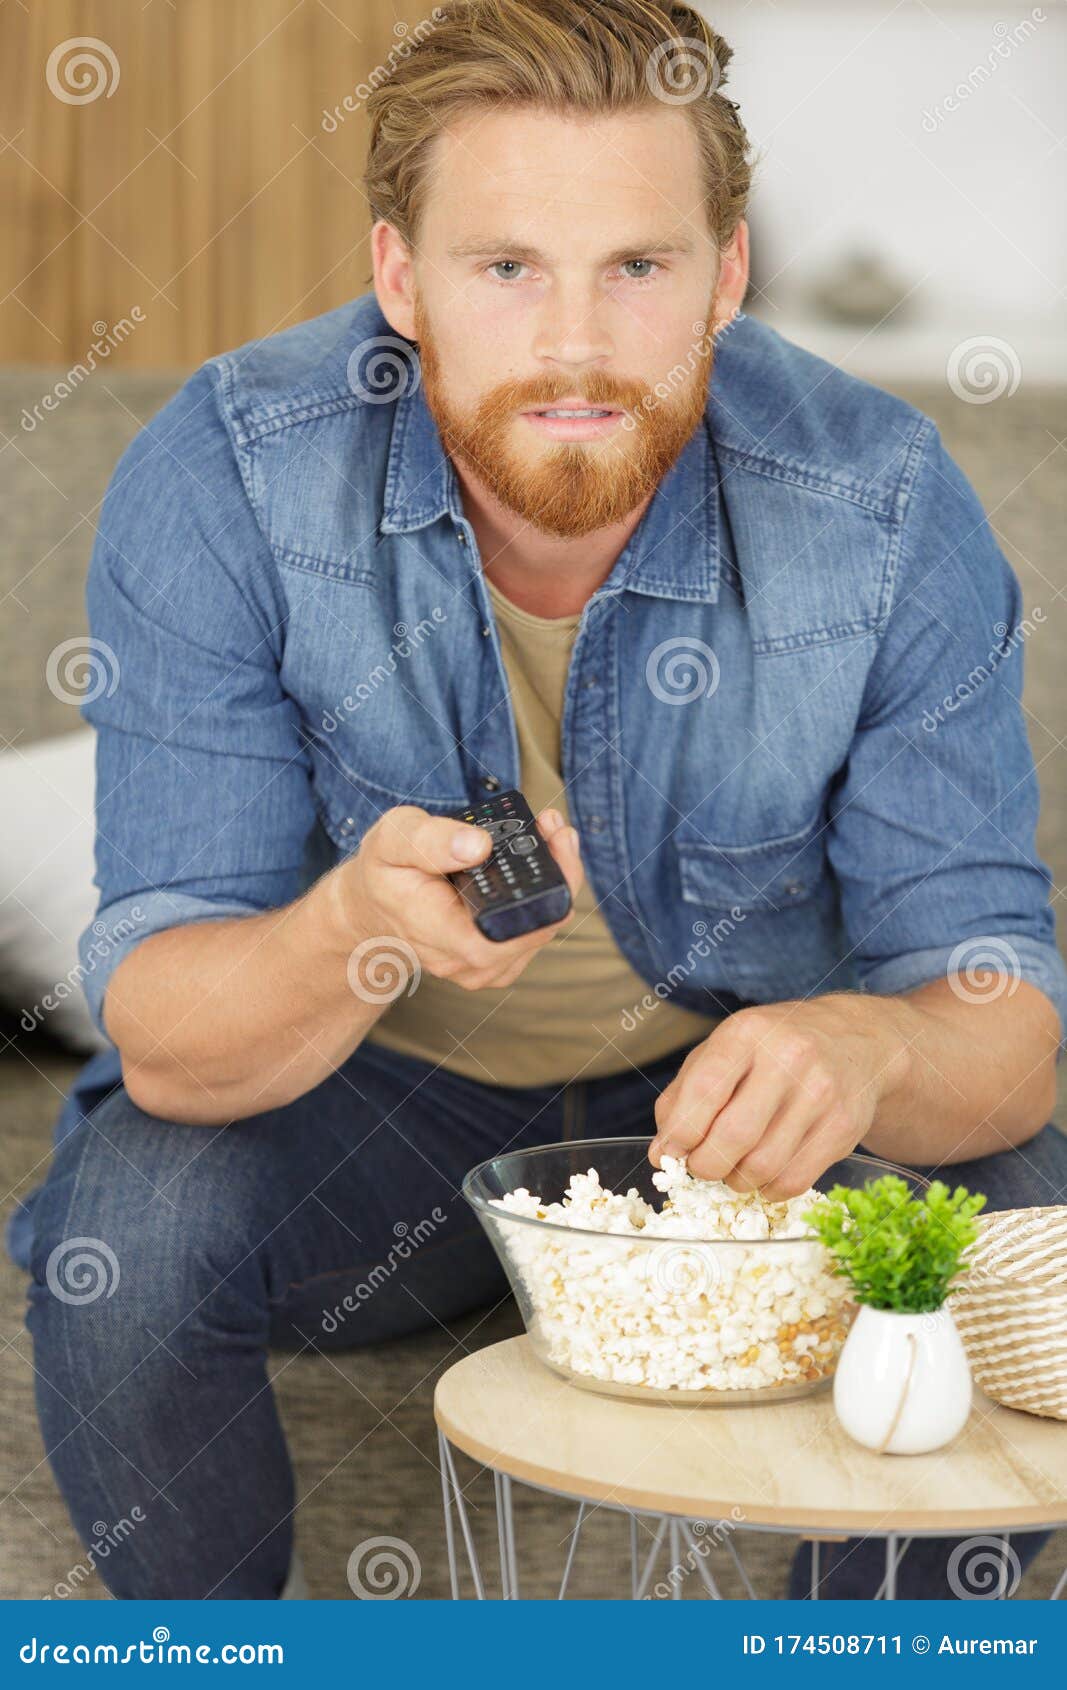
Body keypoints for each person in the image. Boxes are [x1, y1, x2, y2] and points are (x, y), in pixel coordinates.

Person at [18, 0, 1066, 1600]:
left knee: (1028, 1232)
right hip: (372, 1118)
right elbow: (166, 1026)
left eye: (637, 269)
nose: (574, 343)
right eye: (505, 267)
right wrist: (356, 928)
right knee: (128, 1251)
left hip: (745, 1140)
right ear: (399, 279)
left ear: (722, 277)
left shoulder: (885, 503)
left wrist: (874, 1043)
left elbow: (1002, 1016)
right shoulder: (227, 472)